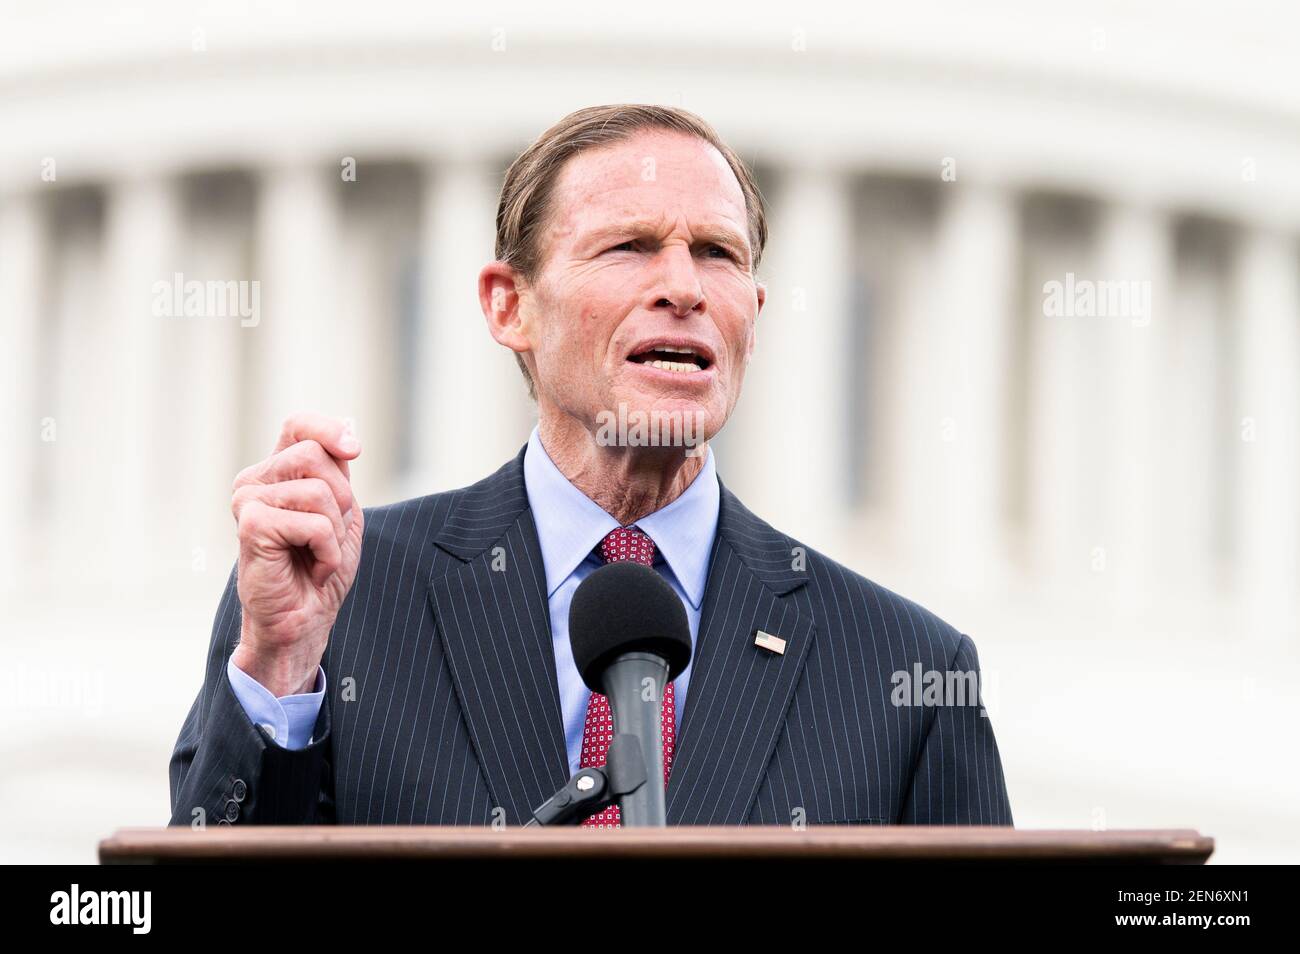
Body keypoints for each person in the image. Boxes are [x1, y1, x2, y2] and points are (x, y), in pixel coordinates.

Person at [169, 104, 1013, 828]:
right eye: (630, 247)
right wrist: (280, 666)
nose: (683, 286)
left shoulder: (900, 671)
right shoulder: (336, 597)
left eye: (718, 254)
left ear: (752, 315)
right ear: (510, 306)